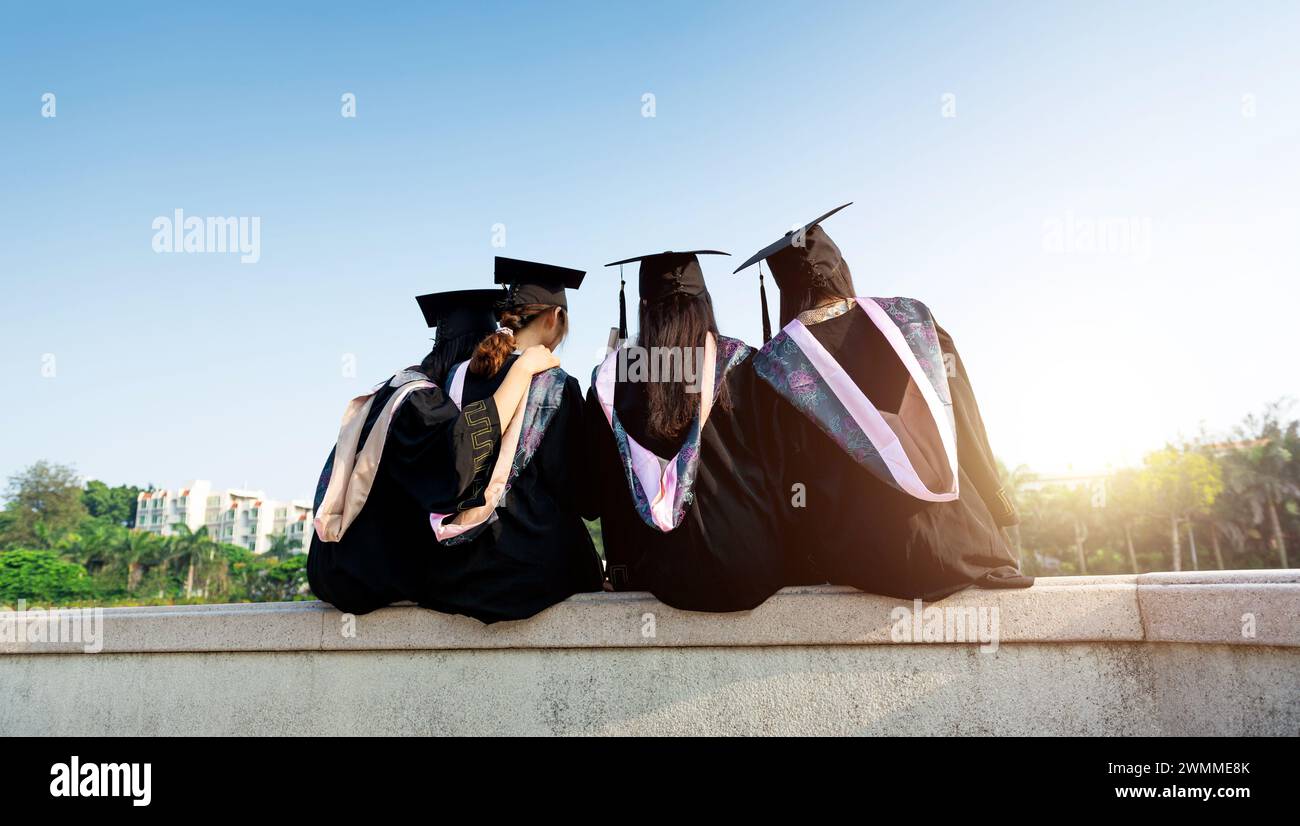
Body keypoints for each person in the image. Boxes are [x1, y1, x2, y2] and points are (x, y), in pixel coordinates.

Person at [734, 203, 1032, 600]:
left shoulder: (777, 365)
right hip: (967, 542)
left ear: (785, 289)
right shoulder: (912, 319)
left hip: (868, 559)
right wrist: (997, 507)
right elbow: (966, 423)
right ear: (840, 269)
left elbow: (789, 478)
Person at [306, 285, 564, 619]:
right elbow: (460, 464)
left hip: (336, 562)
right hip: (358, 576)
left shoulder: (398, 386)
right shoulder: (420, 402)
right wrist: (521, 371)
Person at [586, 250, 786, 612]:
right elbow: (780, 470)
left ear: (643, 307)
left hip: (656, 575)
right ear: (705, 303)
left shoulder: (614, 380)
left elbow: (597, 492)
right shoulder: (746, 366)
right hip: (752, 566)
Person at [420, 256, 604, 621]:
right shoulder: (558, 386)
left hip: (455, 567)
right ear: (555, 318)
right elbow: (584, 497)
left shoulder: (453, 377)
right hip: (530, 570)